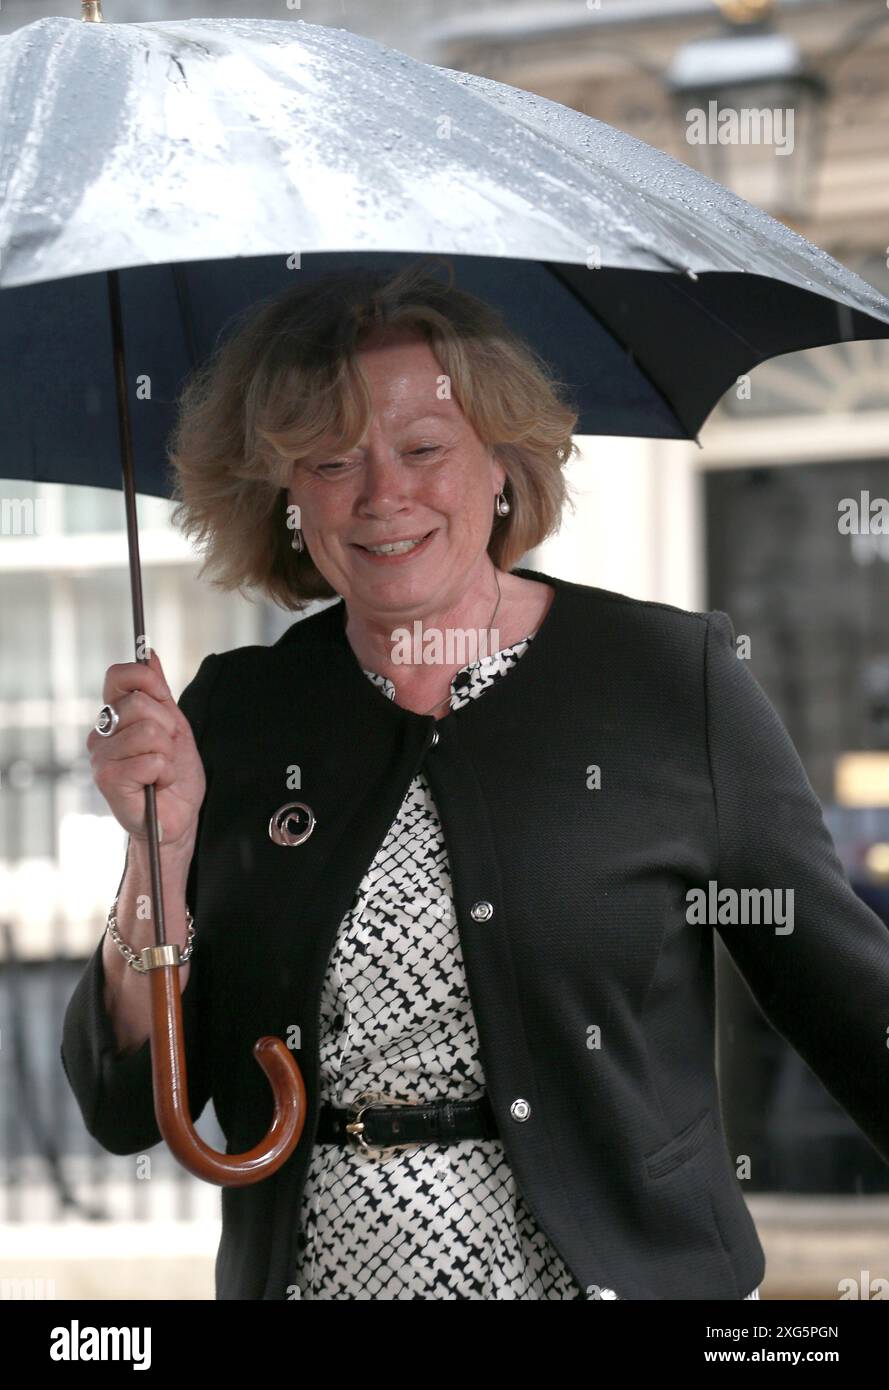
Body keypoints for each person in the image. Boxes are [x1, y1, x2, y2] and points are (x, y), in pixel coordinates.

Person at [63, 262, 889, 1300]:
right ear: (285, 496)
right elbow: (126, 1101)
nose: (381, 496)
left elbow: (859, 1014)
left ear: (500, 463)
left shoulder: (668, 684)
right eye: (329, 461)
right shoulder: (233, 713)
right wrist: (158, 853)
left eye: (422, 449)